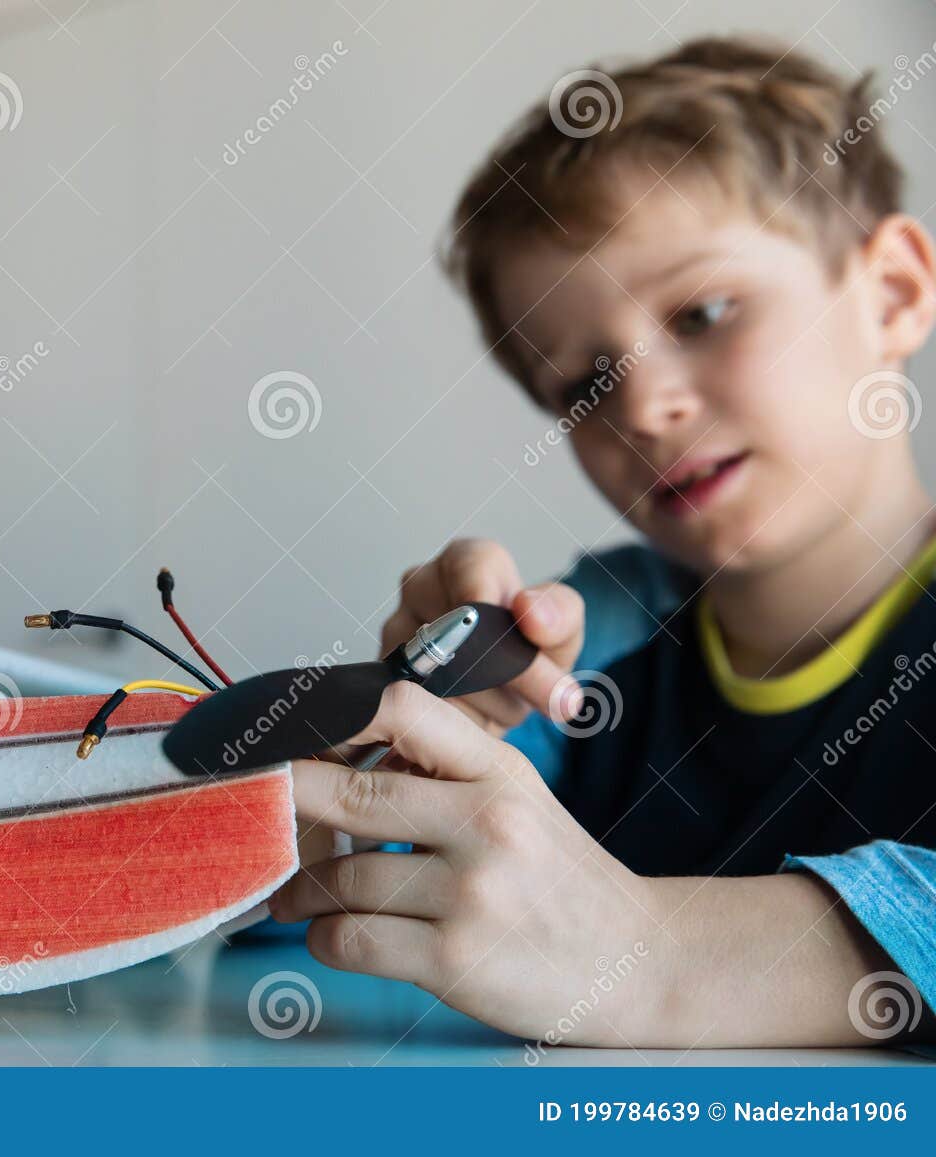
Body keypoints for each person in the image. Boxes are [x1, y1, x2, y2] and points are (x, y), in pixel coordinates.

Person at [268, 36, 936, 1048]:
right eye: (580, 383)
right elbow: (357, 889)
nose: (646, 406)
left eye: (703, 312)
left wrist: (652, 956)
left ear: (890, 290)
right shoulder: (590, 644)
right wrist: (410, 751)